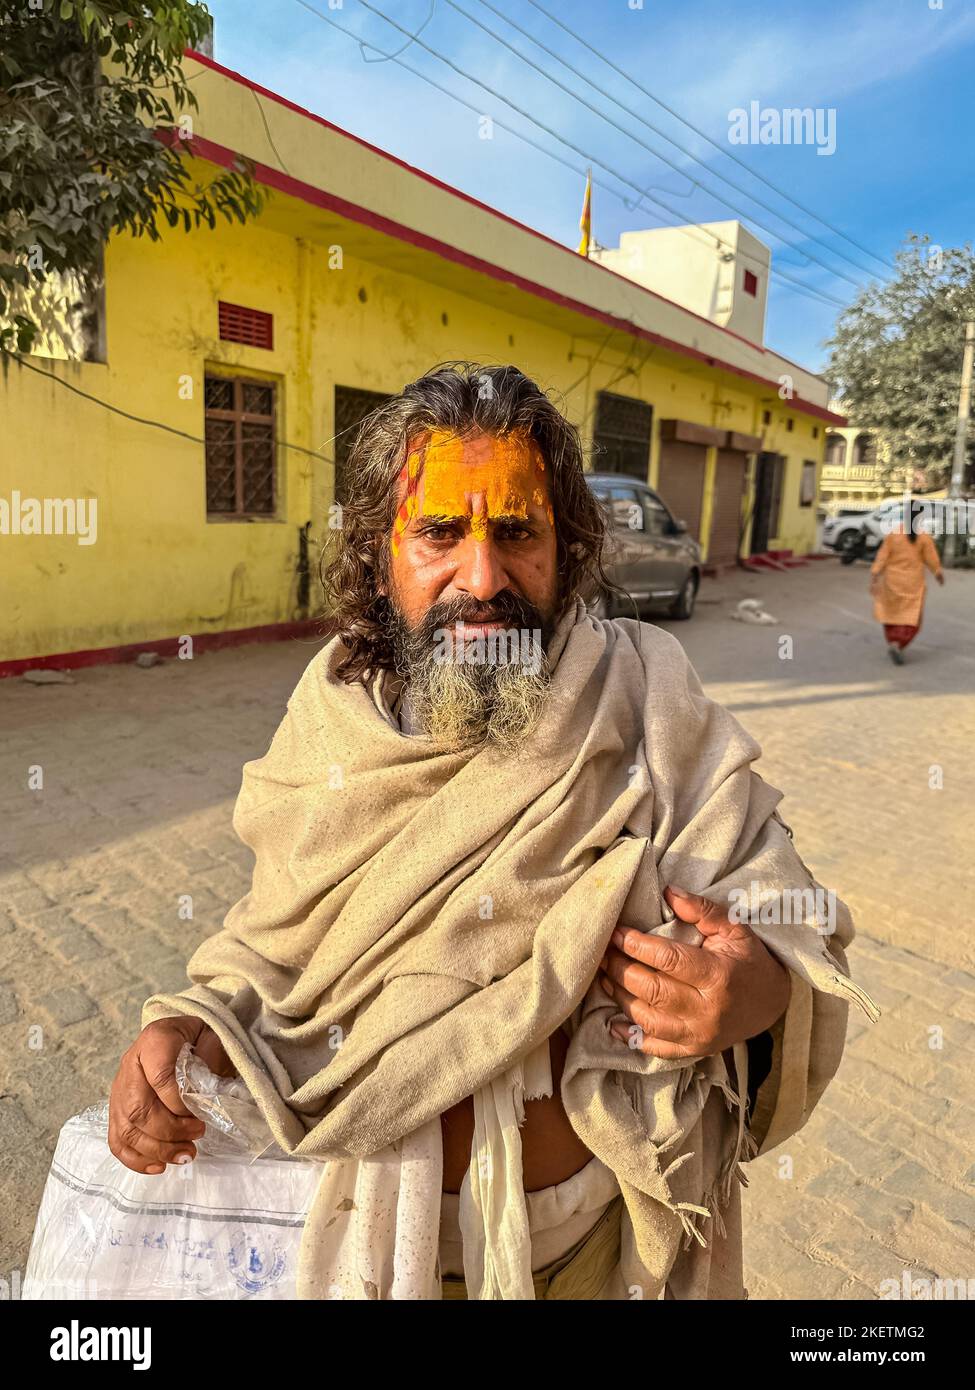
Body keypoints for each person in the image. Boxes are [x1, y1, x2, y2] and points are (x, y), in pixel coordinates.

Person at [109, 363, 876, 1300]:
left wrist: (752, 992)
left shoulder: (645, 695)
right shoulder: (329, 722)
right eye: (438, 532)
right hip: (382, 1252)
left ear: (566, 545)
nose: (482, 578)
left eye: (516, 531)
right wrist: (191, 1024)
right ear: (379, 553)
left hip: (609, 1246)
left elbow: (782, 907)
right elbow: (282, 942)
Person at [870, 498, 945, 664]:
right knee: (912, 618)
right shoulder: (924, 538)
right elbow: (932, 560)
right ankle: (899, 643)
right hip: (913, 583)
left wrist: (875, 574)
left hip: (892, 582)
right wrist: (938, 573)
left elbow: (882, 556)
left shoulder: (893, 535)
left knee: (891, 614)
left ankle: (893, 641)